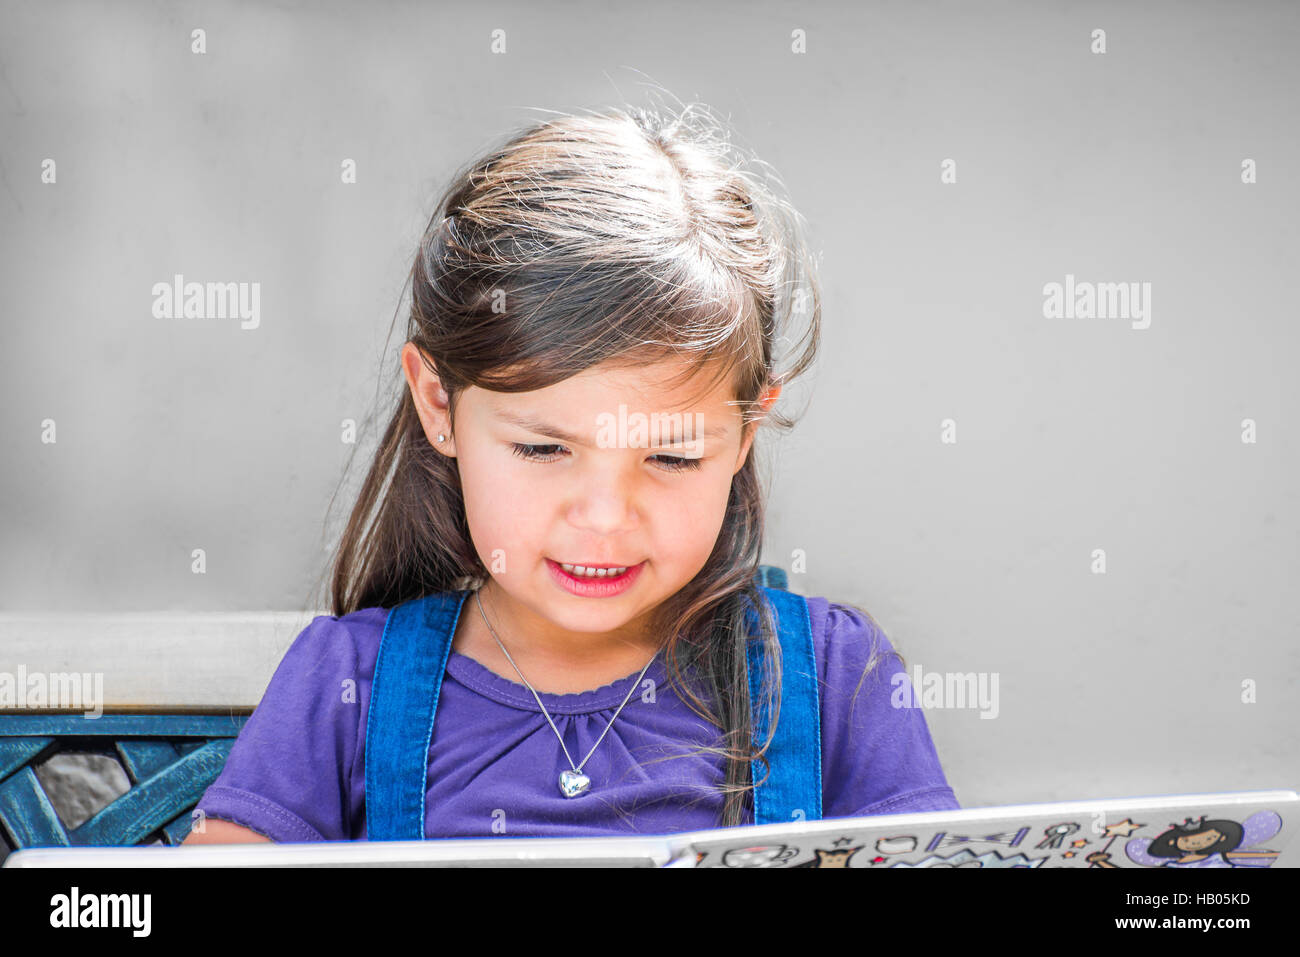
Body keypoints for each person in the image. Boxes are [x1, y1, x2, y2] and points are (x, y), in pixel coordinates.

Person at [184, 102, 958, 846]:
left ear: (746, 432)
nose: (603, 516)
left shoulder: (834, 677)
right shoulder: (341, 688)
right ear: (438, 405)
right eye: (544, 449)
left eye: (671, 456)